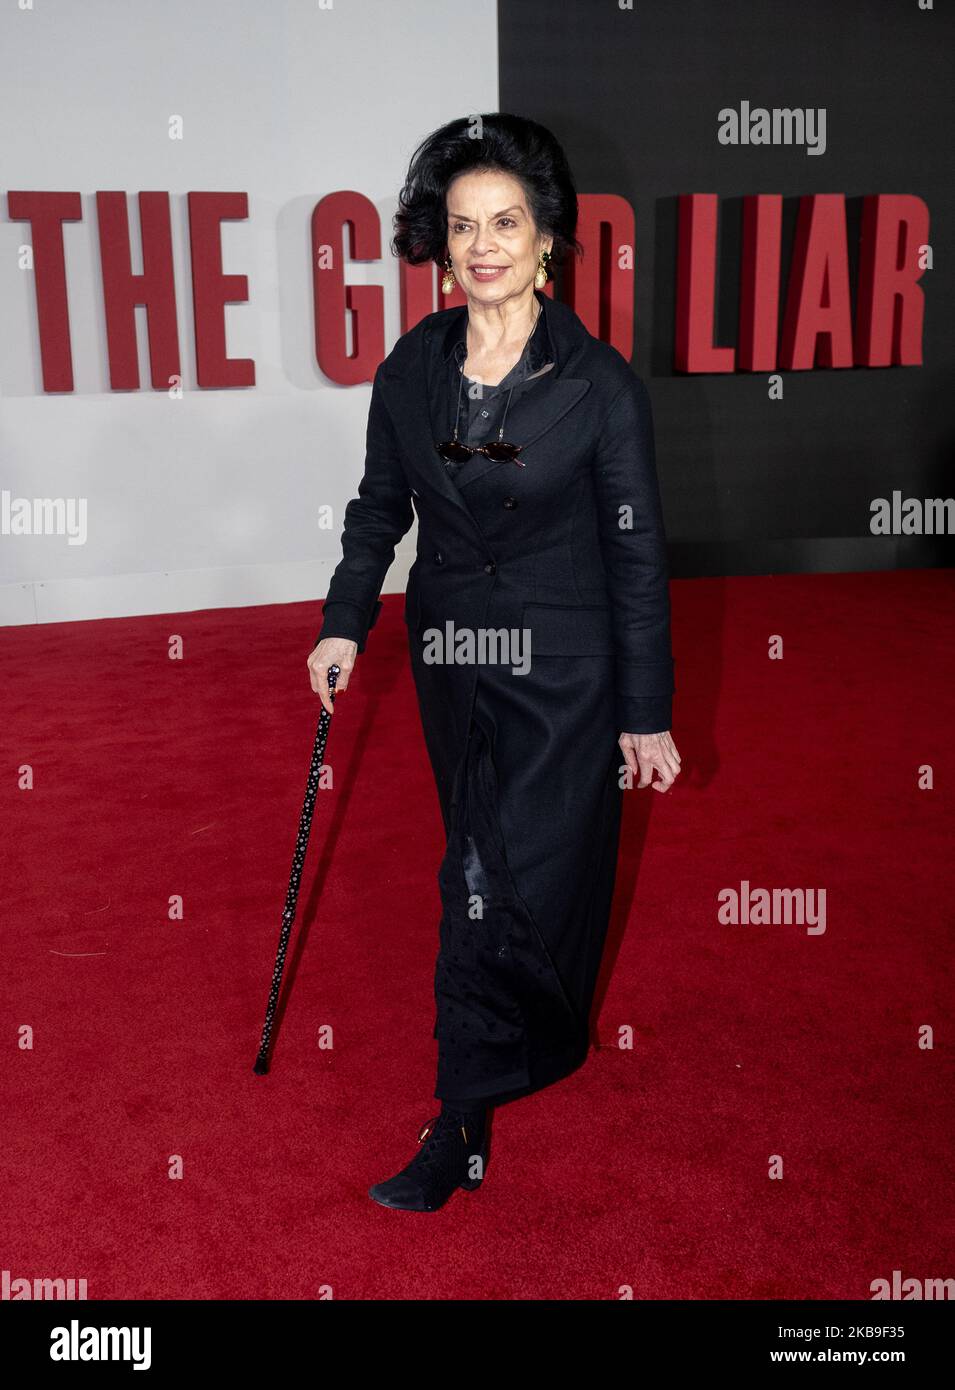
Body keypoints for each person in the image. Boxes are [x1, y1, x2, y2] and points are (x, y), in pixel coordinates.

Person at [307, 113, 680, 1212]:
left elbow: (637, 555)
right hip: (451, 663)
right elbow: (380, 509)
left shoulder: (598, 384)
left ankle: (458, 1117)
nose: (482, 245)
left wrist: (644, 711)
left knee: (495, 877)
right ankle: (490, 1073)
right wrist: (342, 622)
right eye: (462, 225)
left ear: (545, 237)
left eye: (505, 223)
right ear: (439, 239)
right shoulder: (411, 369)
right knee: (477, 865)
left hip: (565, 678)